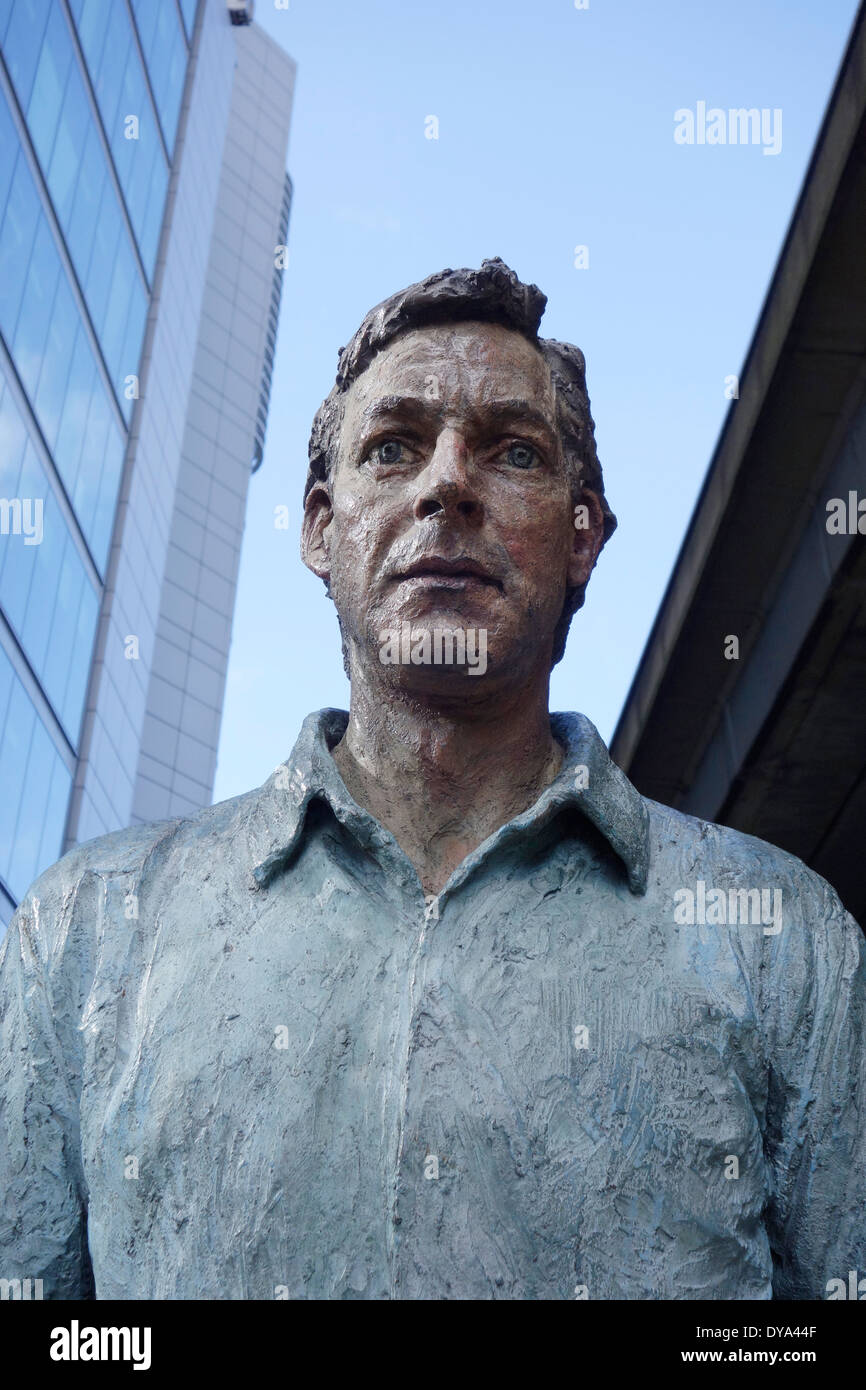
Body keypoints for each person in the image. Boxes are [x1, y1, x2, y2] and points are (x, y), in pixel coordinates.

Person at [1, 259, 864, 1300]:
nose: (446, 484)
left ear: (581, 533)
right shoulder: (86, 935)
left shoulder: (781, 941)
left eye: (509, 450)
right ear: (321, 527)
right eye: (392, 447)